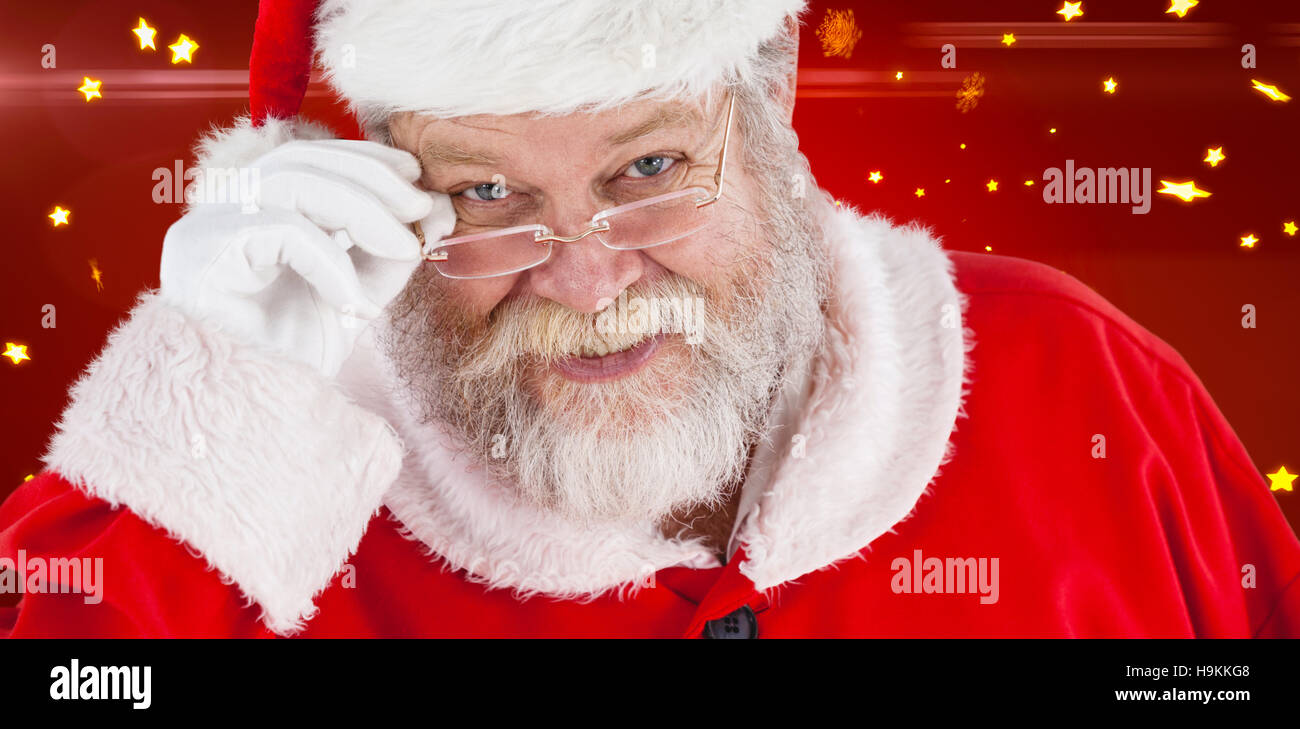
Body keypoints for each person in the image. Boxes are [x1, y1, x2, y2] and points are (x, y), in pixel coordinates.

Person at [2, 0, 1297, 638]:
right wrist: (202, 436)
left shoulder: (1084, 385)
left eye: (649, 171)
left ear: (771, 105)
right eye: (489, 191)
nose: (586, 278)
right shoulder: (270, 494)